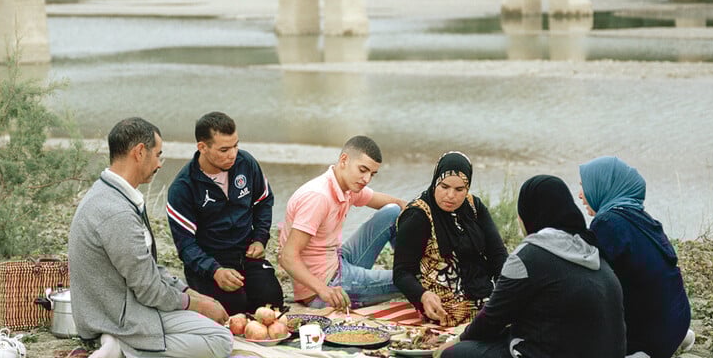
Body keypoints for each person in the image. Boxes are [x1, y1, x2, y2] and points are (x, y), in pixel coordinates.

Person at [438, 175, 625, 358]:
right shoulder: (590, 247)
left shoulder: (531, 255)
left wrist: (453, 344)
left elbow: (492, 319)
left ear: (530, 212)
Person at [68, 117, 232, 358]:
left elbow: (147, 268)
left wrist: (188, 293)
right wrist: (197, 306)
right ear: (139, 152)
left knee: (206, 321)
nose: (159, 164)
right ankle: (124, 346)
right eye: (158, 155)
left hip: (123, 304)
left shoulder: (112, 194)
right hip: (118, 315)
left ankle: (127, 344)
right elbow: (148, 288)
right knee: (220, 340)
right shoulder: (116, 212)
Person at [579, 156, 692, 358]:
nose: (580, 195)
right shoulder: (639, 216)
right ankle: (676, 339)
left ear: (603, 186)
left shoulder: (607, 223)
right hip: (677, 323)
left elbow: (591, 279)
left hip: (651, 339)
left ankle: (634, 355)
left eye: (584, 187)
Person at [166, 112, 284, 316]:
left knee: (272, 301)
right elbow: (186, 246)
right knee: (232, 309)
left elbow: (263, 200)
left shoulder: (246, 163)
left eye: (236, 145)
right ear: (202, 147)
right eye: (224, 149)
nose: (233, 154)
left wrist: (260, 238)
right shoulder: (183, 188)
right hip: (210, 263)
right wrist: (215, 271)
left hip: (246, 253)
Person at [279, 135, 406, 310]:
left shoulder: (347, 185)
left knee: (393, 211)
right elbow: (287, 257)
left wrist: (415, 207)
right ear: (344, 160)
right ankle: (417, 276)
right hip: (325, 286)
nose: (366, 179)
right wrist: (324, 290)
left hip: (338, 261)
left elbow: (384, 201)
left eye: (372, 174)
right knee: (411, 280)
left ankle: (412, 266)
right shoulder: (318, 197)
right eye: (363, 170)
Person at [393, 151, 509, 327]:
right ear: (435, 183)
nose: (450, 196)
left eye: (459, 189)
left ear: (467, 188)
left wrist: (505, 291)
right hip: (442, 310)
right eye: (444, 187)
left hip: (484, 301)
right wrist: (423, 296)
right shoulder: (418, 215)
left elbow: (497, 253)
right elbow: (401, 273)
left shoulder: (473, 206)